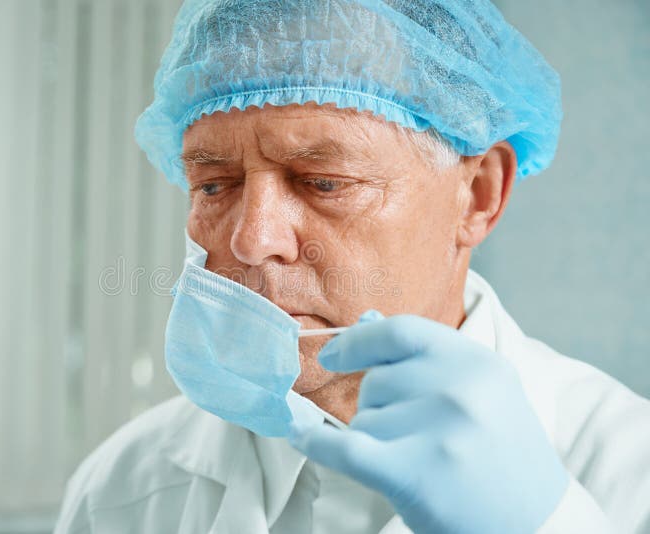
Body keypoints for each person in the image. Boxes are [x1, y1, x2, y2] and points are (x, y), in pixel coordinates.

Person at [54, 1, 650, 532]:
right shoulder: (119, 492)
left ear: (477, 197)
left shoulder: (628, 471)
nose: (252, 240)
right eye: (214, 185)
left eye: (323, 182)